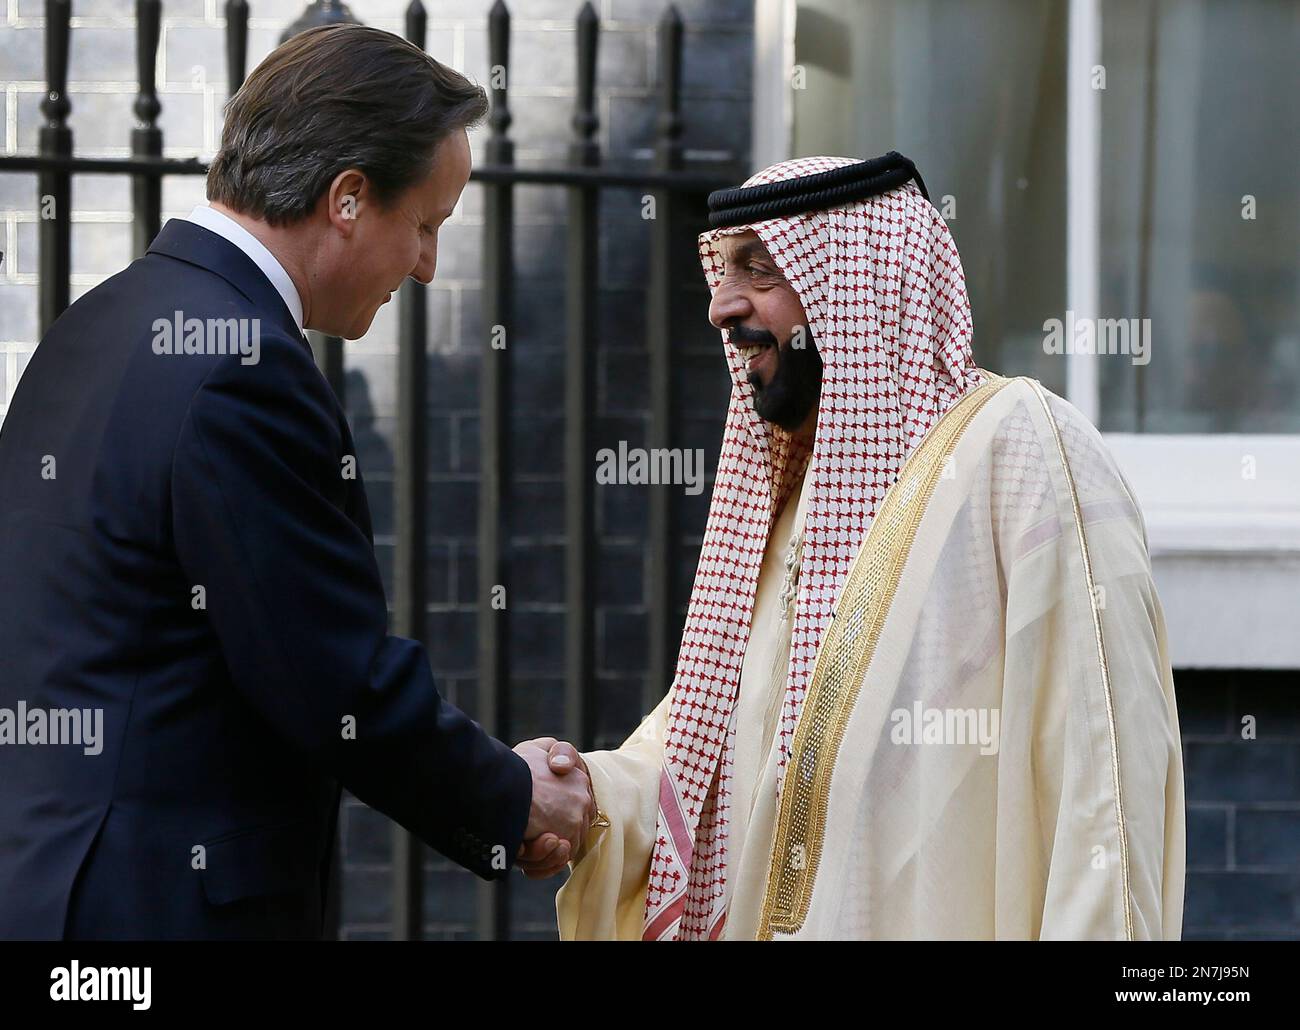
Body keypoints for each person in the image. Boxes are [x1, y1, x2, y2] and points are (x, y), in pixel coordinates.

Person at [0, 24, 591, 939]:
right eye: (425, 225)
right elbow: (328, 674)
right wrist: (513, 798)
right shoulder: (243, 367)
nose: (427, 265)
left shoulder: (97, 321)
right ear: (348, 198)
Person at [525, 154, 1186, 940]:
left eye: (758, 267)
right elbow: (706, 750)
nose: (720, 307)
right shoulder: (795, 499)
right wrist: (589, 795)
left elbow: (1104, 787)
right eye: (722, 269)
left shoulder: (1022, 451)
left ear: (862, 282)